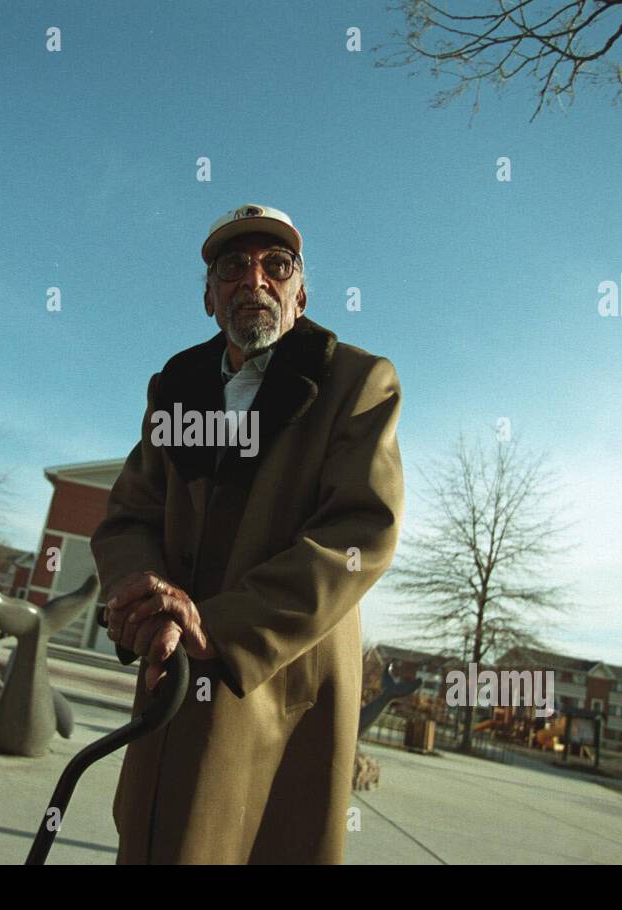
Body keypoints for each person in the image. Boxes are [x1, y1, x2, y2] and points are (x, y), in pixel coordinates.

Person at [93, 204, 405, 863]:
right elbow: (130, 515)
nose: (254, 279)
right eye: (232, 267)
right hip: (170, 676)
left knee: (259, 841)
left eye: (277, 264)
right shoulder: (176, 388)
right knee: (159, 842)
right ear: (210, 298)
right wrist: (144, 600)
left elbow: (362, 530)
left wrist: (223, 624)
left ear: (300, 294)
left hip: (279, 690)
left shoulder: (355, 381)